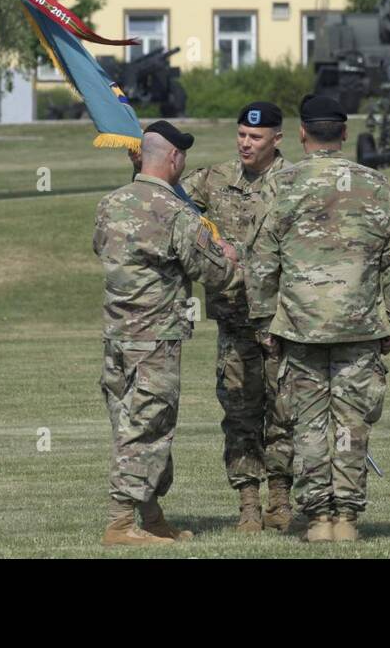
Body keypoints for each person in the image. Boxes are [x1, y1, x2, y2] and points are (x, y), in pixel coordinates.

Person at [257, 94, 390, 543]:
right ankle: (346, 516)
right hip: (360, 325)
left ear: (302, 133)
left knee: (307, 424)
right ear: (345, 133)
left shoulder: (281, 184)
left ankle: (319, 517)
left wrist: (263, 322)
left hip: (300, 326)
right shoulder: (376, 184)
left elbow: (262, 260)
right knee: (350, 424)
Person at [93, 120, 240, 547]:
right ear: (174, 158)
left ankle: (152, 517)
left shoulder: (110, 204)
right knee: (147, 427)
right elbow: (212, 272)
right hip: (154, 338)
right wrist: (231, 258)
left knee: (130, 422)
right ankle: (120, 524)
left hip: (117, 338)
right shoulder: (176, 212)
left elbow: (101, 247)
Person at [180, 101, 293, 533]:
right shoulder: (217, 179)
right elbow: (167, 201)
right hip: (234, 322)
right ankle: (248, 503)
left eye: (256, 138)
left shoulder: (292, 183)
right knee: (240, 414)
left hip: (282, 324)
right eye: (242, 135)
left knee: (284, 413)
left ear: (276, 140)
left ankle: (280, 499)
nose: (246, 143)